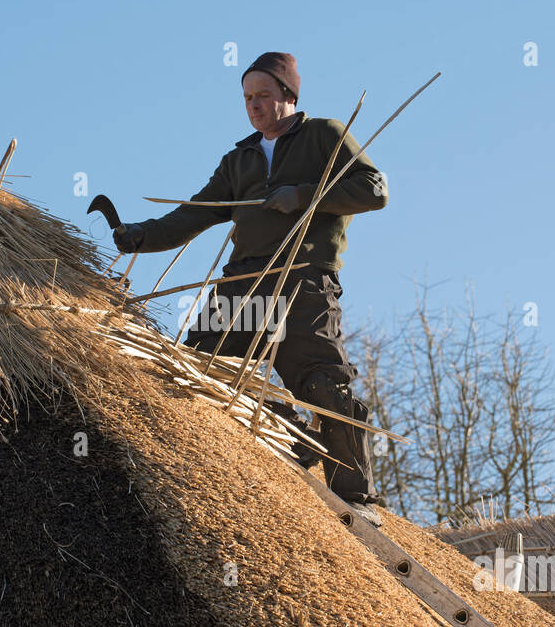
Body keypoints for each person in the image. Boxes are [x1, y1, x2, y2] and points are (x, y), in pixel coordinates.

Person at [112, 52, 386, 508]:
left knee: (324, 384)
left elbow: (374, 189)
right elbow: (191, 215)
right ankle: (292, 436)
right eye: (247, 98)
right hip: (243, 284)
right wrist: (139, 236)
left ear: (288, 95)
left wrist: (302, 196)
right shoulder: (239, 159)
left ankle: (357, 499)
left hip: (301, 280)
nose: (254, 105)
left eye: (263, 95)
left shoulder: (323, 134)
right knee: (201, 366)